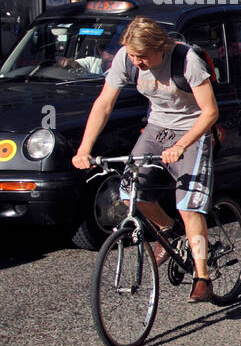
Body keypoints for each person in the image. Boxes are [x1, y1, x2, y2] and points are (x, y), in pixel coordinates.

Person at [73, 17, 219, 303]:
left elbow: (210, 112)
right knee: (131, 193)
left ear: (160, 47)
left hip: (192, 129)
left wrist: (181, 145)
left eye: (142, 56)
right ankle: (168, 231)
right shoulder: (125, 60)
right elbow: (104, 104)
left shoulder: (187, 60)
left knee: (189, 206)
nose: (136, 62)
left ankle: (202, 277)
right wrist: (84, 148)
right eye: (131, 55)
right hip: (156, 128)